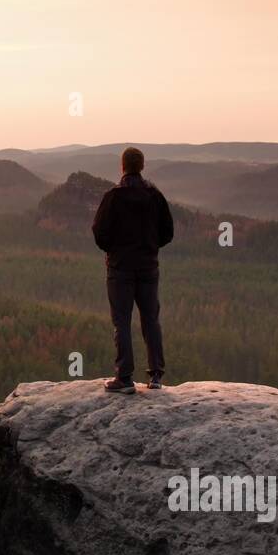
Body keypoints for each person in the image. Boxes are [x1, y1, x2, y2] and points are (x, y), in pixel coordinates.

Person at [91, 147, 173, 393]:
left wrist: (114, 250)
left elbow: (100, 233)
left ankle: (124, 378)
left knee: (122, 322)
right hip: (148, 267)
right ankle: (156, 376)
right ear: (143, 166)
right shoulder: (154, 196)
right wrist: (149, 247)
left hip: (120, 268)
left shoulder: (113, 197)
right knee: (151, 320)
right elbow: (167, 232)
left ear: (122, 167)